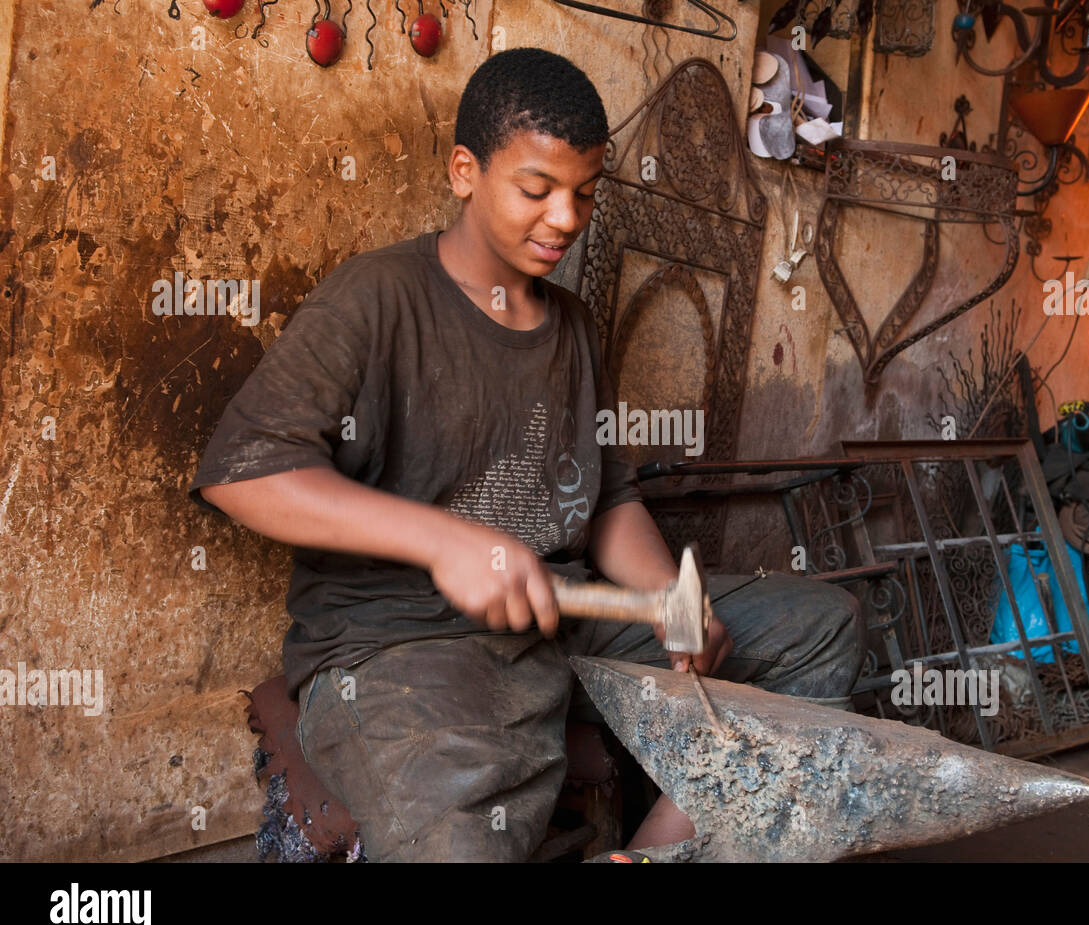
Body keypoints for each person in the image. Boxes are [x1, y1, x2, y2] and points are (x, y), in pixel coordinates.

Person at [190, 47, 866, 862]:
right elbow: (243, 469)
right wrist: (445, 541)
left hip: (565, 619)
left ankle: (651, 854)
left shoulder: (573, 327)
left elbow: (611, 498)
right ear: (465, 171)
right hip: (398, 648)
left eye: (584, 193)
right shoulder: (377, 297)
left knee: (819, 629)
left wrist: (665, 598)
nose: (565, 219)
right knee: (458, 842)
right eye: (537, 190)